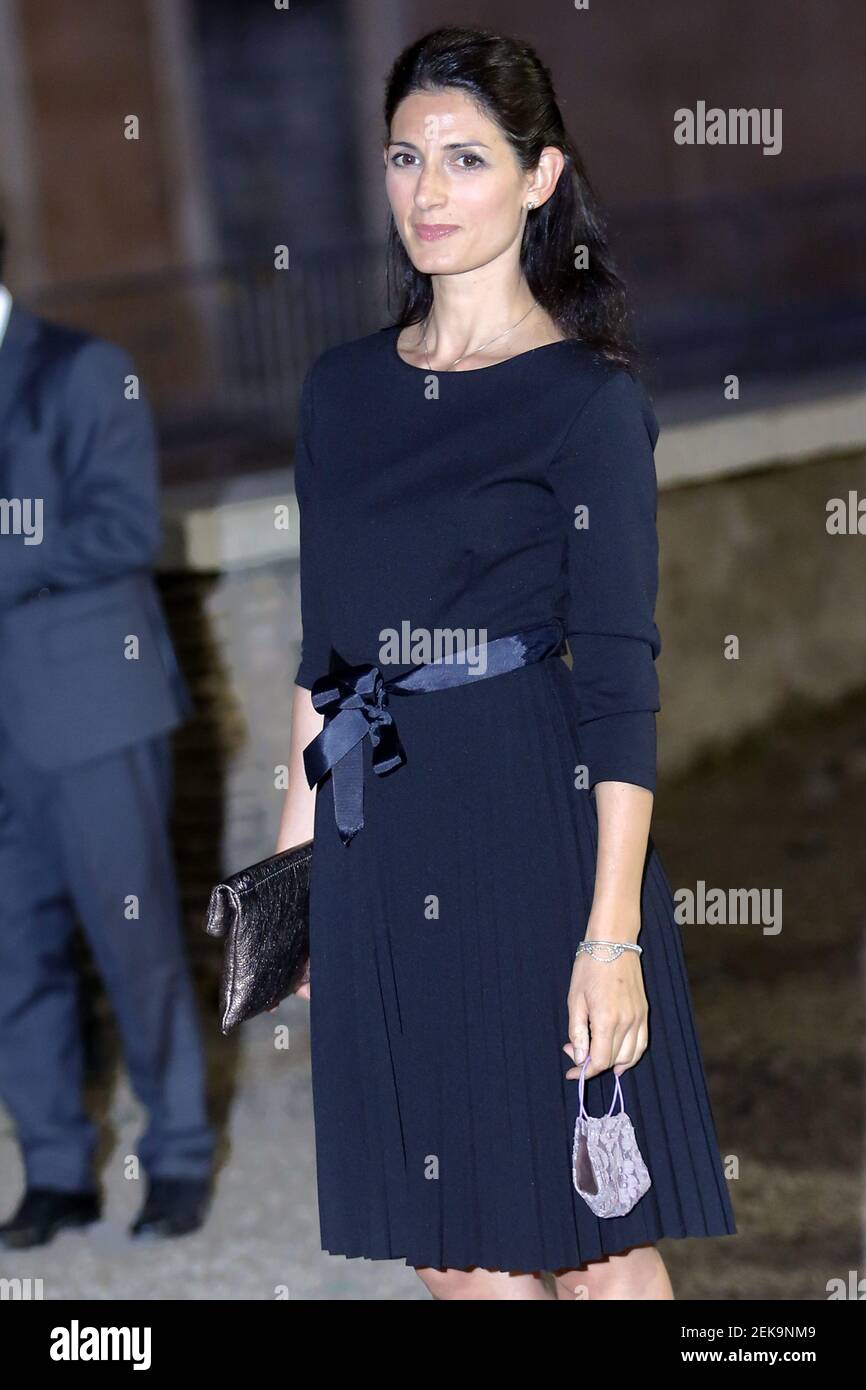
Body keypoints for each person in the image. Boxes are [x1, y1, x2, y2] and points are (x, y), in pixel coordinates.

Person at [275, 26, 737, 1300]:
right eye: (405, 157)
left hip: (534, 839)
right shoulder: (338, 390)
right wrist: (298, 873)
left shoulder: (583, 403)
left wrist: (612, 938)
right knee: (450, 1246)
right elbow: (321, 662)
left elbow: (620, 680)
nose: (427, 191)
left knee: (590, 1228)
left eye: (466, 159)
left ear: (539, 180)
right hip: (380, 840)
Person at [0, 225, 215, 1247]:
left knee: (137, 948)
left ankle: (175, 1154)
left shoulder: (86, 371)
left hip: (91, 714)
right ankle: (54, 1169)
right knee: (11, 959)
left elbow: (123, 527)